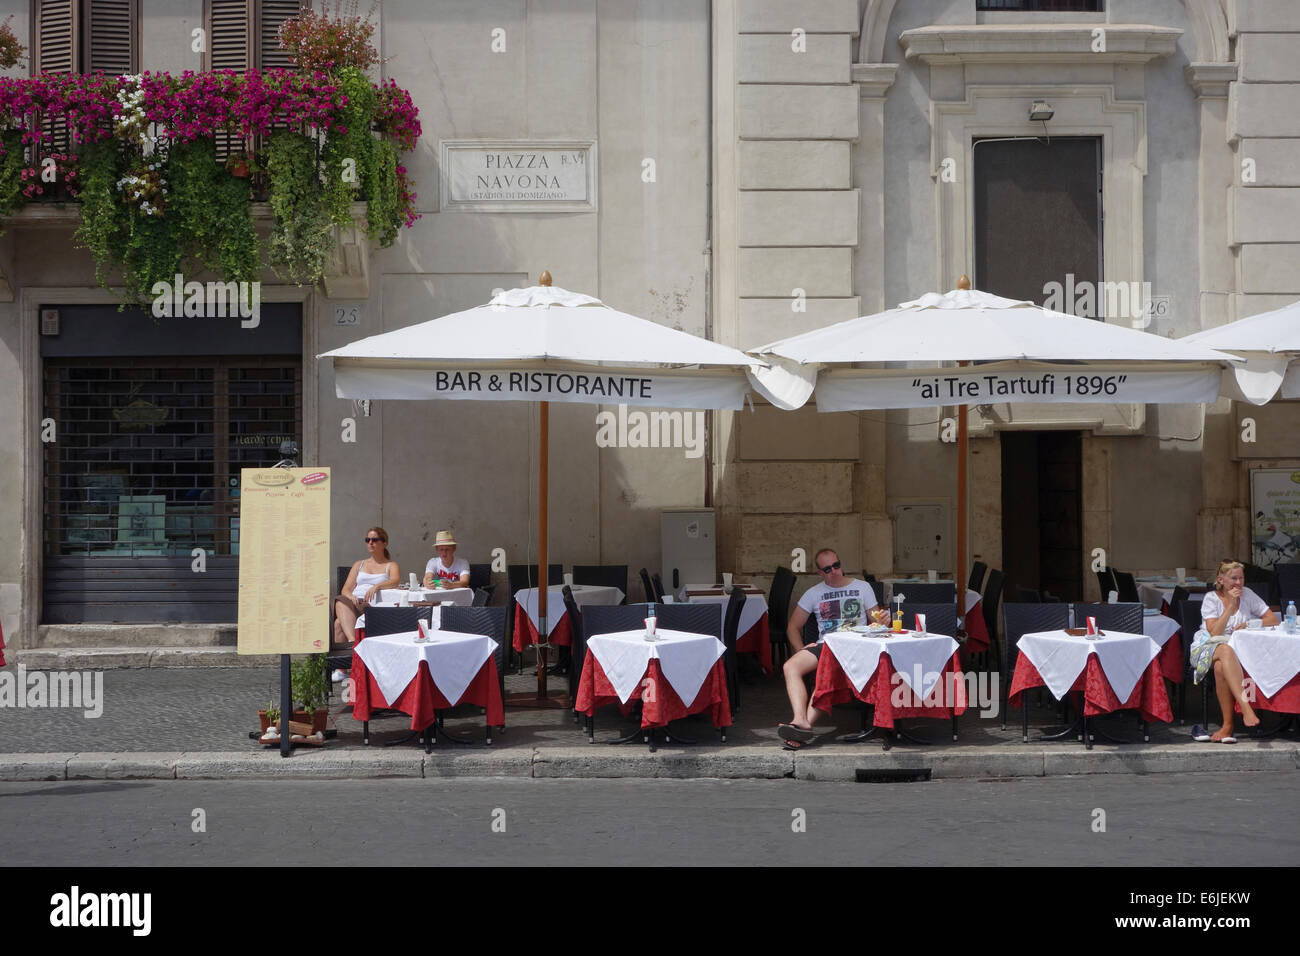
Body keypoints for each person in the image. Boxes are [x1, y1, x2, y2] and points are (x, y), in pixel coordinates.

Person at [777, 548, 887, 749]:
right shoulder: (814, 593)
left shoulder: (863, 587)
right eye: (828, 569)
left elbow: (877, 623)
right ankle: (800, 719)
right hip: (826, 645)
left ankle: (802, 727)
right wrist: (800, 648)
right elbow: (792, 627)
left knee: (826, 673)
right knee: (790, 667)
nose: (834, 571)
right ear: (820, 573)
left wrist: (884, 620)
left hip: (856, 646)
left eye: (837, 565)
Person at [1190, 559, 1279, 743]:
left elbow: (1273, 619)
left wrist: (1249, 623)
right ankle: (1246, 709)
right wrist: (1230, 606)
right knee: (1224, 650)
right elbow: (1214, 632)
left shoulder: (1248, 595)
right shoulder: (1211, 599)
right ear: (1221, 580)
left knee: (1221, 667)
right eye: (1233, 578)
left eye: (1241, 578)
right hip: (1208, 647)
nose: (1238, 583)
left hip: (1238, 651)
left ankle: (1227, 726)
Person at [332, 526, 400, 654]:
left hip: (373, 606)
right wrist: (351, 597)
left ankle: (345, 664)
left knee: (338, 624)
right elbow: (346, 589)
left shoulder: (391, 565)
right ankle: (354, 645)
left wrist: (377, 586)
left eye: (374, 540)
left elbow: (395, 581)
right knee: (341, 601)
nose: (370, 543)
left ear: (384, 543)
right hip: (355, 603)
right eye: (367, 539)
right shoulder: (359, 564)